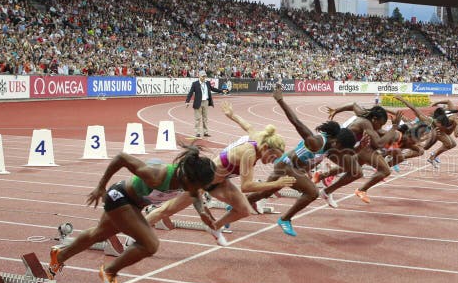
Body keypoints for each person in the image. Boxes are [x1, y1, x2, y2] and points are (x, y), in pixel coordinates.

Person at [48, 146, 216, 283]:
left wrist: (202, 212)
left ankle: (60, 256)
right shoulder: (157, 174)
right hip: (120, 197)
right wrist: (101, 186)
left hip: (134, 204)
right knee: (150, 244)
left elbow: (195, 194)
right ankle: (110, 271)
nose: (199, 189)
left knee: (98, 234)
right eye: (198, 185)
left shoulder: (188, 181)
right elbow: (121, 157)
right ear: (188, 177)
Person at [144, 101, 293, 246]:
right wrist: (276, 184)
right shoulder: (249, 154)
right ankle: (136, 233)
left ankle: (214, 227)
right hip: (202, 181)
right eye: (273, 155)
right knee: (166, 210)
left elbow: (248, 126)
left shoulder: (259, 138)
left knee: (244, 210)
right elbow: (246, 187)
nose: (274, 160)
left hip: (220, 181)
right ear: (265, 147)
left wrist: (232, 115)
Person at [246, 85, 357, 236]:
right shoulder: (317, 142)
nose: (342, 153)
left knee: (264, 193)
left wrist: (307, 172)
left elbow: (312, 160)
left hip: (290, 167)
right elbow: (296, 122)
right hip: (286, 166)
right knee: (312, 192)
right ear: (337, 142)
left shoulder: (331, 147)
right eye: (343, 149)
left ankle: (235, 207)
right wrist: (280, 100)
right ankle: (285, 219)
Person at [316, 102, 401, 203]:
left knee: (352, 169)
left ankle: (322, 177)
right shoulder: (366, 123)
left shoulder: (364, 113)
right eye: (380, 124)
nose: (380, 127)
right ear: (374, 119)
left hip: (351, 146)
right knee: (380, 171)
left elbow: (353, 105)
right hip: (344, 148)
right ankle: (359, 190)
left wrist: (336, 110)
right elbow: (378, 144)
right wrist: (394, 127)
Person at [185, 71, 225, 138]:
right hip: (198, 102)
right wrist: (187, 101)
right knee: (197, 118)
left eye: (205, 76)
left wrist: (221, 90)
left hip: (206, 102)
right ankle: (197, 132)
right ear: (199, 76)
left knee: (205, 118)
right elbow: (190, 93)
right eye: (203, 76)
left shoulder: (207, 83)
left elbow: (213, 89)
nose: (204, 77)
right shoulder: (195, 84)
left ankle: (205, 132)